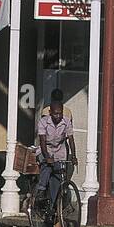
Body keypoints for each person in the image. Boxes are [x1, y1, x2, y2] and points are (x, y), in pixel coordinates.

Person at [34, 89, 76, 219]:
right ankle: (41, 190)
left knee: (58, 175)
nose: (58, 116)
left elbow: (71, 139)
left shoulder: (66, 119)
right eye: (55, 114)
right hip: (45, 148)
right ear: (50, 112)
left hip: (59, 149)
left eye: (60, 113)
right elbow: (42, 141)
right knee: (47, 166)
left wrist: (73, 155)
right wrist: (47, 157)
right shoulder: (43, 120)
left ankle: (54, 205)